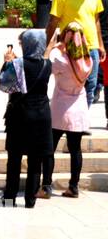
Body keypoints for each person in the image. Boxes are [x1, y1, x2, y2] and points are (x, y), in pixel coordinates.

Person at [0, 30, 53, 208]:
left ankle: (9, 198)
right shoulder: (47, 65)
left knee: (14, 159)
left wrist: (6, 64)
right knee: (35, 162)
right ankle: (30, 200)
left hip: (20, 116)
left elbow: (4, 85)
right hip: (41, 116)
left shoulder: (17, 64)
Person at [45, 0, 105, 109]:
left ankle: (82, 119)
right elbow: (53, 23)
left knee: (90, 84)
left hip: (91, 47)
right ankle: (66, 119)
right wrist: (48, 46)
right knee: (71, 84)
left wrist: (100, 45)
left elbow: (96, 22)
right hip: (71, 48)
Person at [43, 23, 92, 199]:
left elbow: (44, 63)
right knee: (75, 149)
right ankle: (73, 186)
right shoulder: (88, 61)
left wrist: (54, 46)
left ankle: (46, 186)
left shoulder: (59, 59)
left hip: (59, 108)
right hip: (78, 108)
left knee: (50, 148)